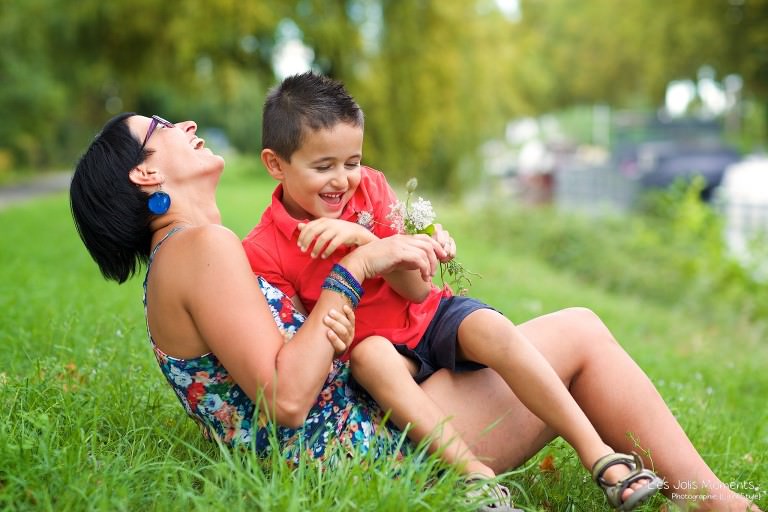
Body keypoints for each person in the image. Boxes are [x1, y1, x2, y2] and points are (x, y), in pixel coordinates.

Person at [70, 112, 762, 512]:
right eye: (161, 128)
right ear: (146, 174)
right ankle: (717, 505)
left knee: (556, 332)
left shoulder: (182, 257)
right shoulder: (200, 247)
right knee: (579, 330)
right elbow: (284, 397)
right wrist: (355, 267)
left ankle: (697, 495)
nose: (185, 124)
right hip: (374, 455)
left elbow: (281, 367)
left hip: (372, 422)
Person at [243, 72, 665, 509]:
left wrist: (369, 243)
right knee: (372, 356)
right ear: (276, 164)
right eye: (323, 166)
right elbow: (305, 348)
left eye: (351, 162)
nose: (342, 180)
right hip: (377, 359)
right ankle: (475, 475)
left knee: (495, 330)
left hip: (427, 317)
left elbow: (417, 290)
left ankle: (599, 455)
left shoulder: (370, 187)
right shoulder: (265, 251)